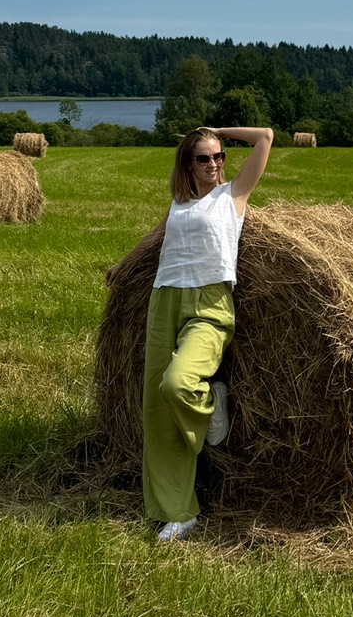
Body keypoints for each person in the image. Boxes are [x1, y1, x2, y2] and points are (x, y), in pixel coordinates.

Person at [108, 123, 274, 541]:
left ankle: (211, 404)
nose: (214, 164)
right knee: (158, 411)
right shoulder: (178, 204)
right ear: (188, 163)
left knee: (178, 382)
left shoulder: (232, 195)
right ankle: (179, 512)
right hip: (164, 300)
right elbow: (156, 239)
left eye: (218, 156)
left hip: (210, 302)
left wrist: (218, 131)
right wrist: (125, 265)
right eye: (204, 158)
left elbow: (266, 137)